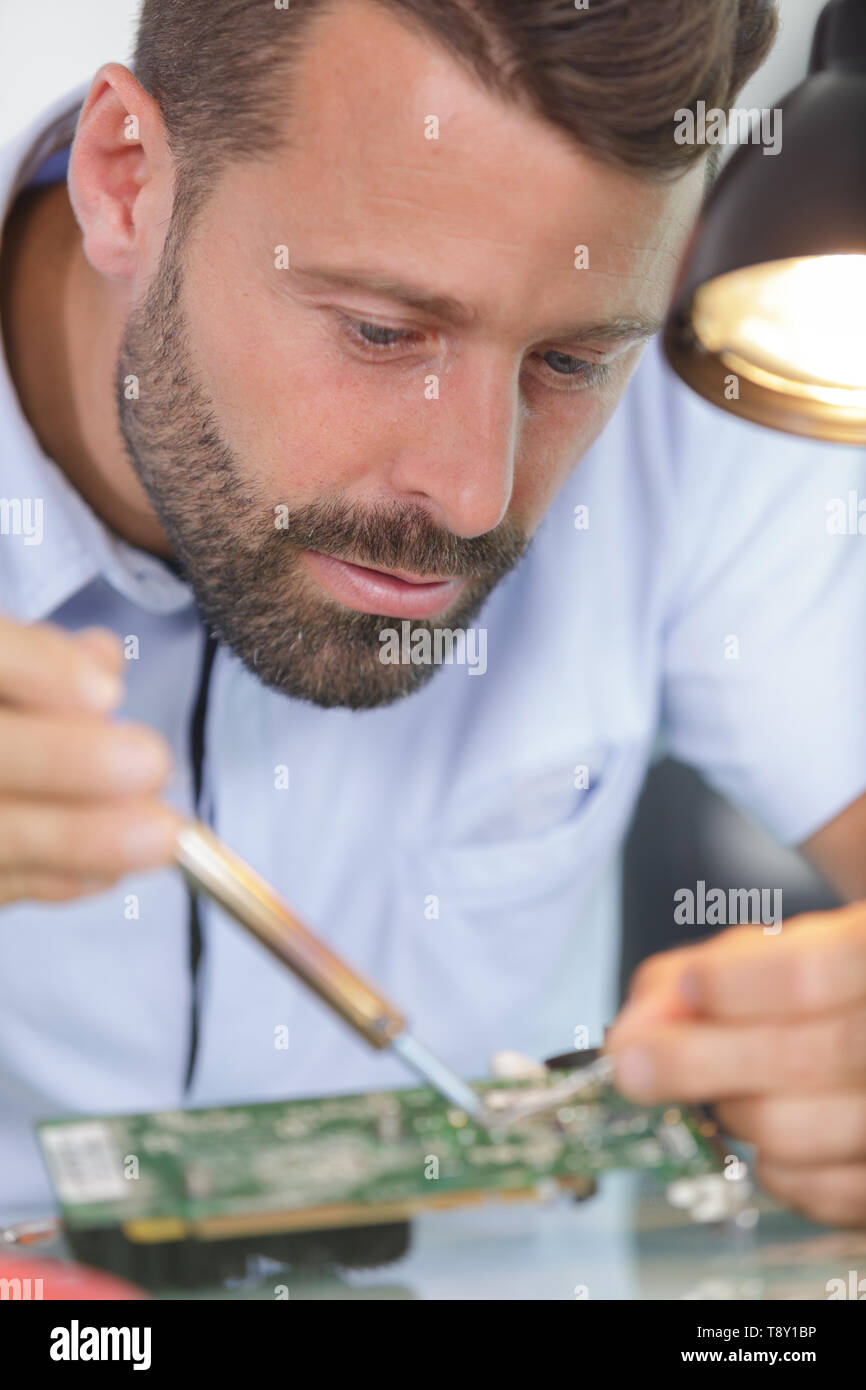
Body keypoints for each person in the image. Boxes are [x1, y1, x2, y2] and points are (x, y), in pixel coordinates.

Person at [1, 0, 864, 1226]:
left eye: (571, 363)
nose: (470, 496)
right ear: (126, 181)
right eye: (380, 330)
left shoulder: (734, 375)